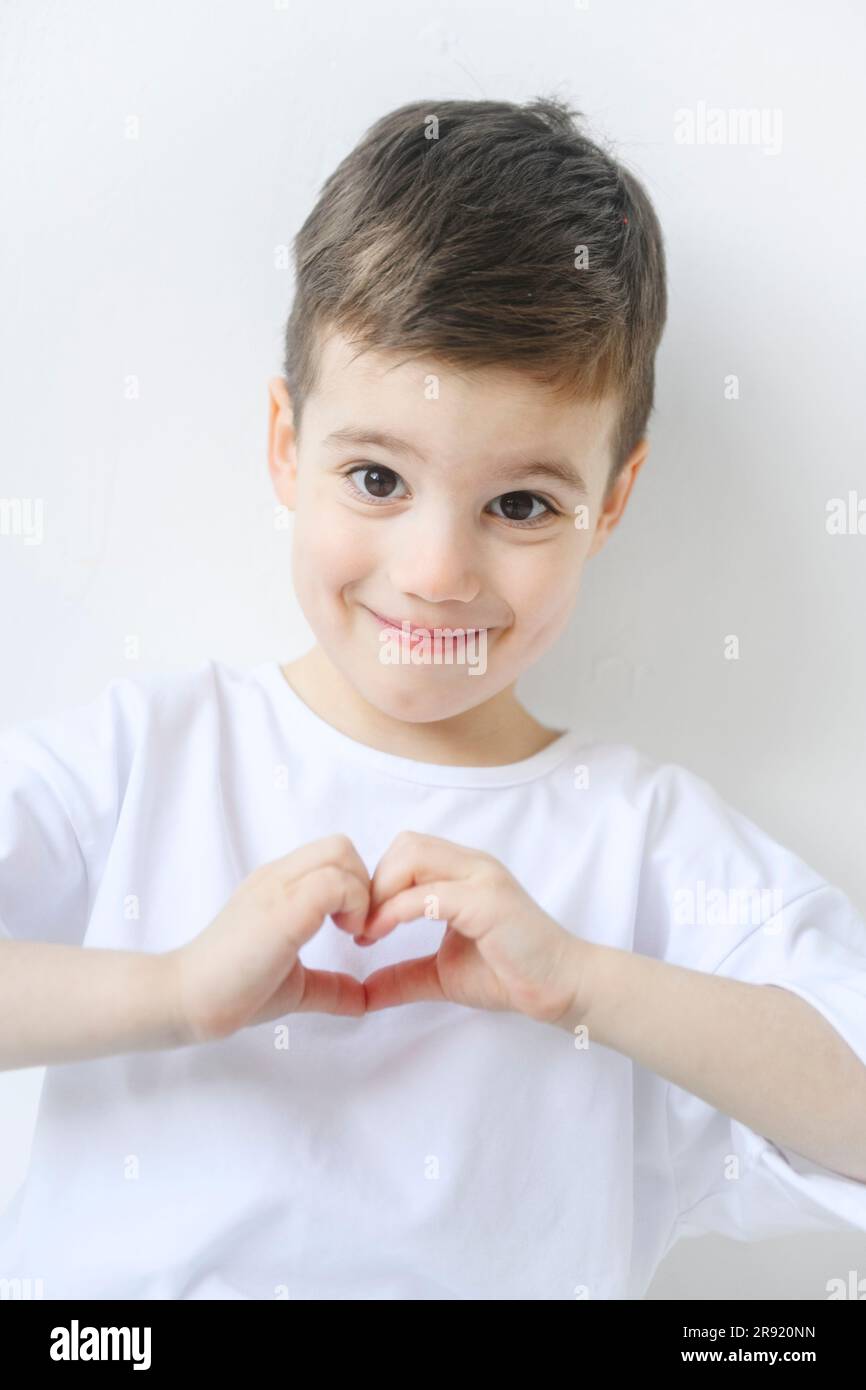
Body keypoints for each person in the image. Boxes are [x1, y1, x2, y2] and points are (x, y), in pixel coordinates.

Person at [1, 97, 865, 1301]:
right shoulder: (152, 757)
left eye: (518, 505)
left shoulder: (643, 845)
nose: (435, 572)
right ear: (281, 442)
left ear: (608, 504)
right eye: (373, 477)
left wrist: (580, 982)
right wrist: (171, 988)